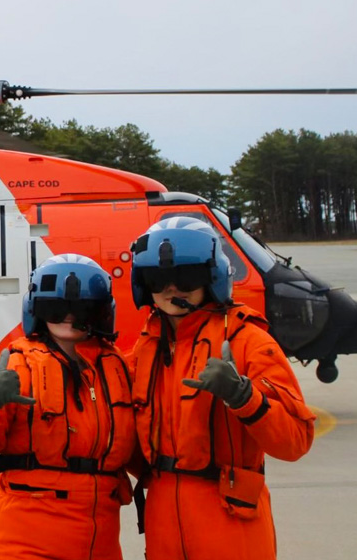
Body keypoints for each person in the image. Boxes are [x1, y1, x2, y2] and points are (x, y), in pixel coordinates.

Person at [127, 217, 316, 560]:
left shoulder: (248, 341)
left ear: (211, 277)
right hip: (163, 516)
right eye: (157, 279)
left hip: (229, 516)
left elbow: (295, 442)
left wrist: (245, 398)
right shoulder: (146, 348)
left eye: (186, 277)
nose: (172, 289)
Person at [0, 254, 137, 560]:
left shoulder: (118, 370)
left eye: (82, 308)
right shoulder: (14, 368)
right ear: (37, 310)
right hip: (26, 537)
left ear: (101, 313)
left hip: (99, 538)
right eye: (55, 308)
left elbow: (143, 452)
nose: (68, 317)